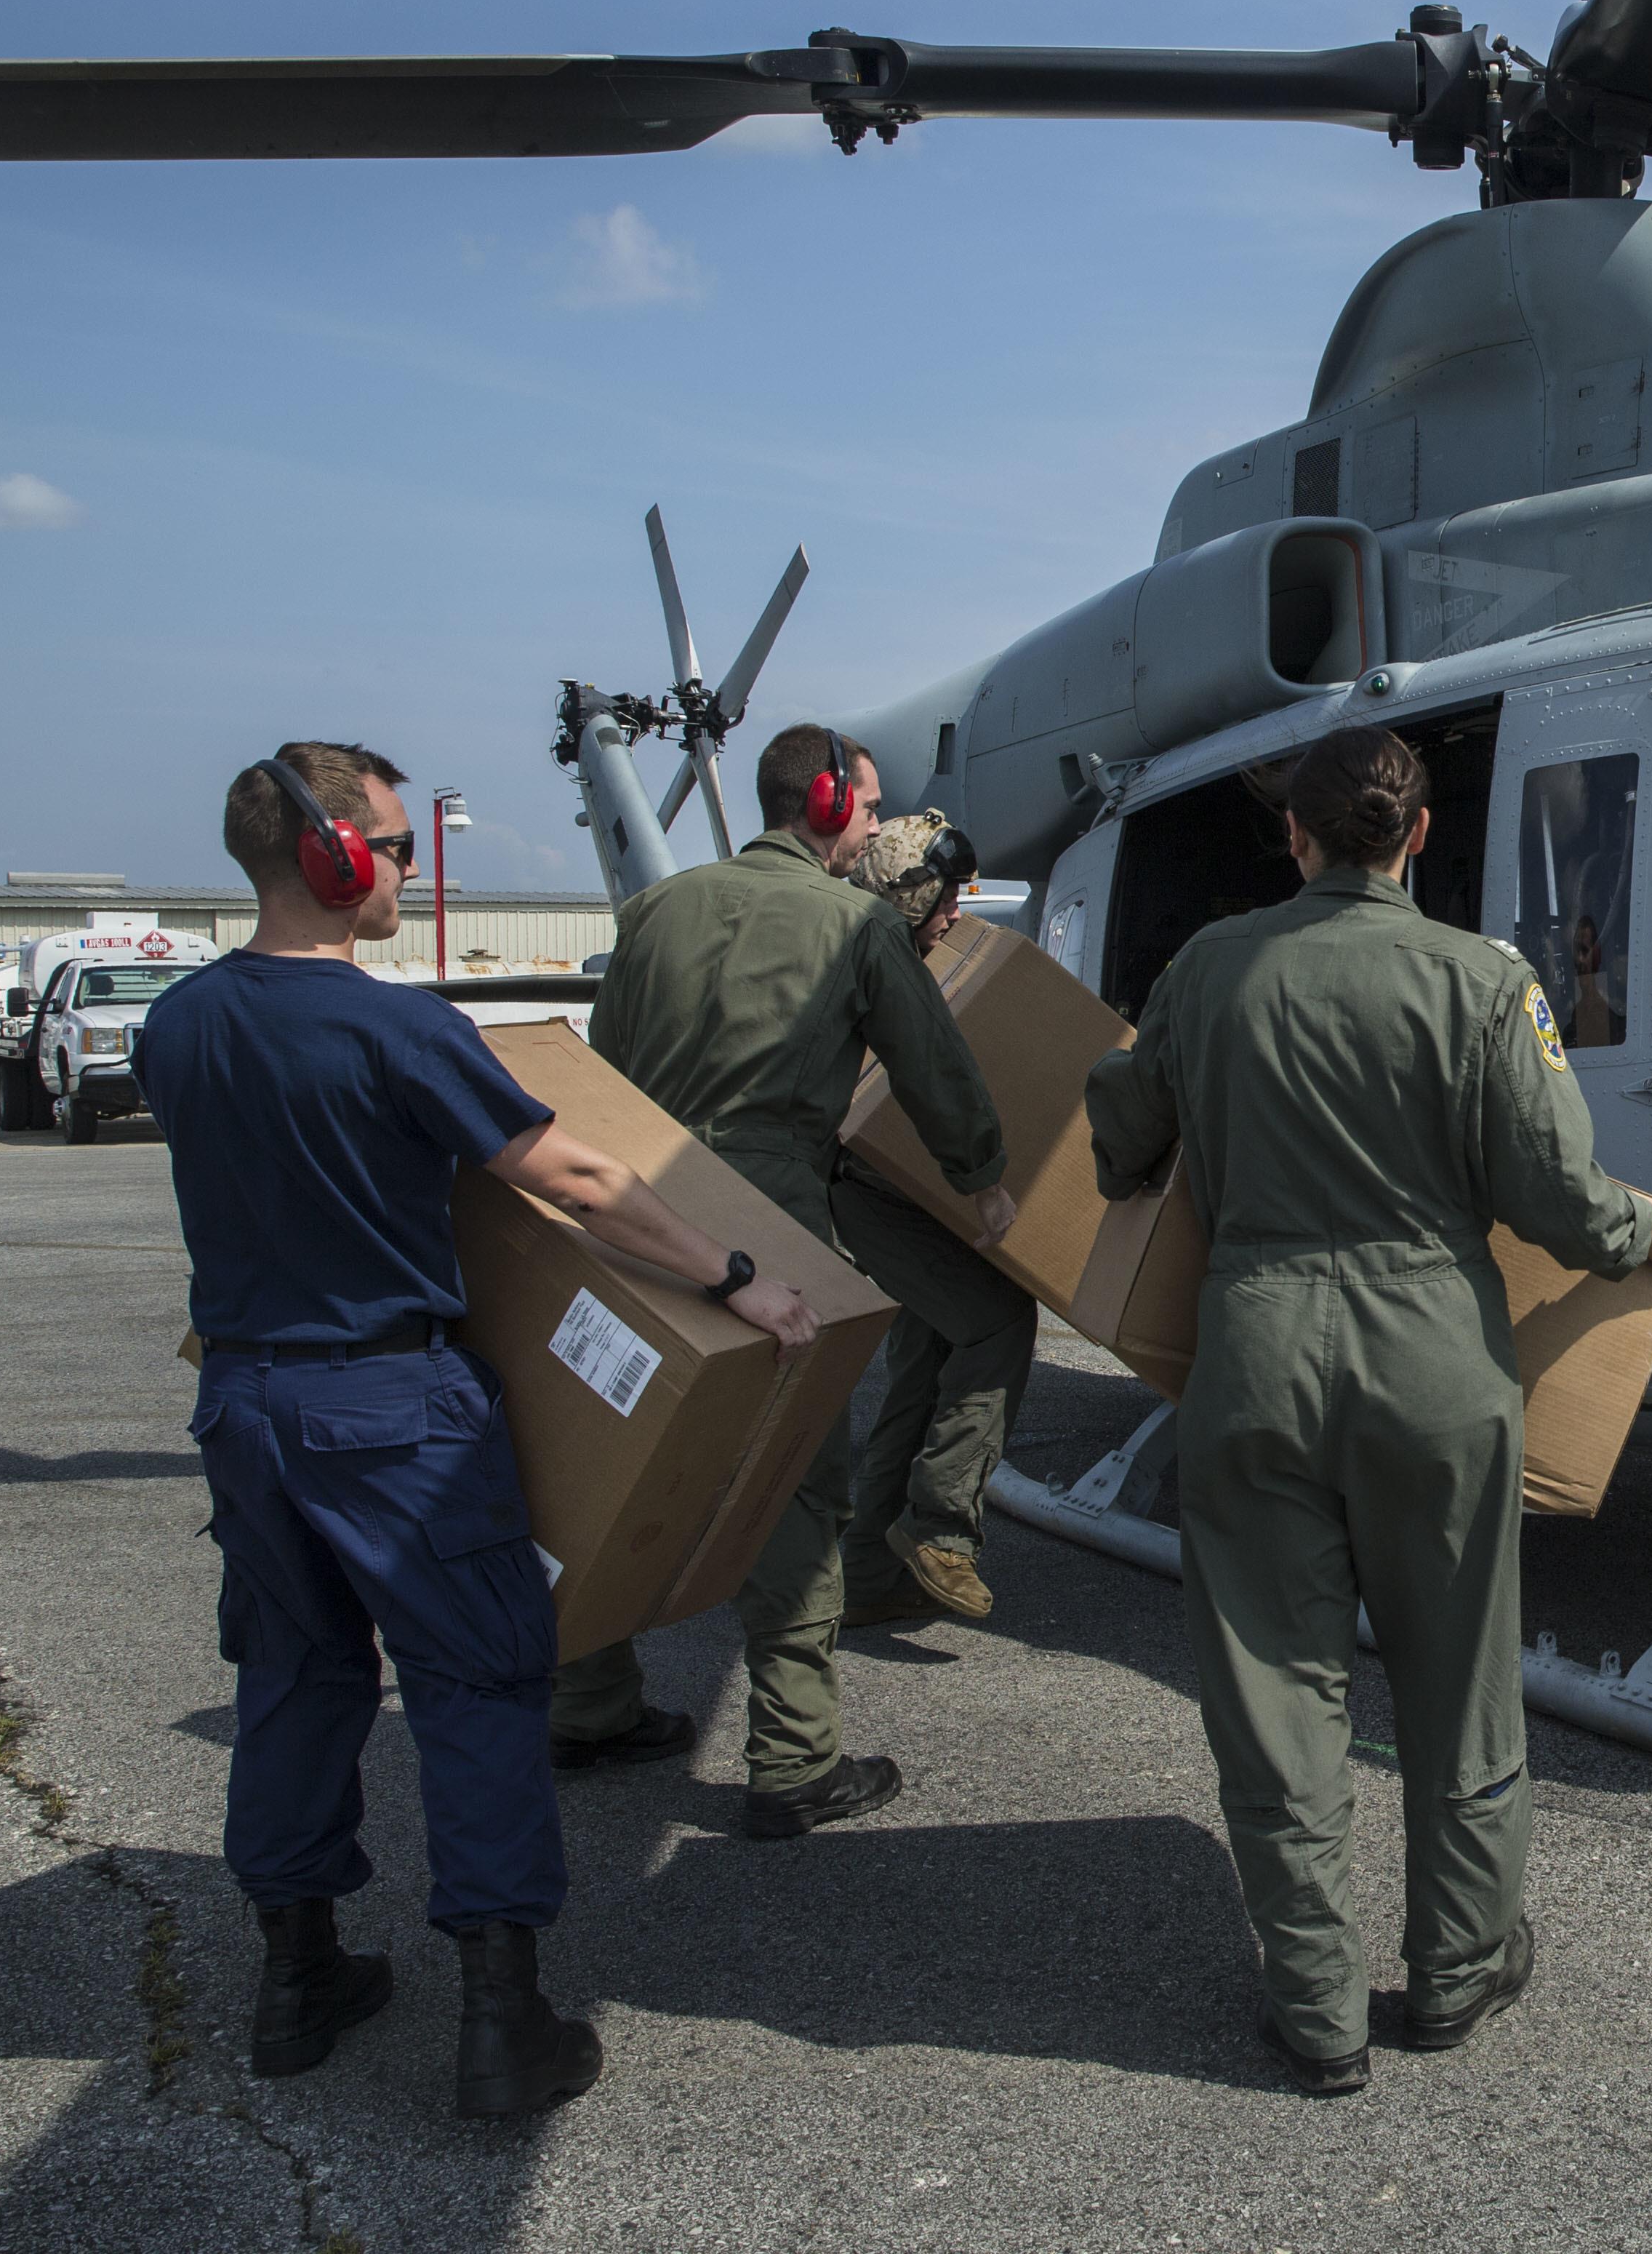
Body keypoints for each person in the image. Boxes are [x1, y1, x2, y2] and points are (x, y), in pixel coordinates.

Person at [140, 742, 820, 2117]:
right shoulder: (399, 1030)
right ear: (333, 859)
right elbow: (568, 1173)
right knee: (475, 1686)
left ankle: (295, 1980)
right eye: (392, 848)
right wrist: (735, 1275)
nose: (407, 869)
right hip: (390, 1412)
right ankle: (503, 2022)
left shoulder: (178, 1024)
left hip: (247, 1403)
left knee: (293, 1677)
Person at [1084, 724, 1652, 2096]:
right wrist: (1643, 1225)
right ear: (1420, 838)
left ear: (1295, 838)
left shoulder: (1204, 971)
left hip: (1252, 1355)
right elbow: (1551, 1191)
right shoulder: (1482, 979)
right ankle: (1456, 1967)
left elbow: (1117, 1139)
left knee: (1275, 1691)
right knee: (1457, 1681)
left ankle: (1312, 2009)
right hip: (1433, 1362)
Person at [548, 726, 1015, 1839]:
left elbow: (599, 1074)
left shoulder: (652, 911)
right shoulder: (857, 922)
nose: (869, 822)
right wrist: (984, 1177)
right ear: (828, 800)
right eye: (865, 803)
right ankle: (795, 1759)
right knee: (798, 1479)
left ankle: (587, 1701)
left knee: (618, 1451)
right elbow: (931, 1069)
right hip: (768, 1217)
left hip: (640, 1210)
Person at [830, 810, 1041, 1628]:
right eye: (947, 897)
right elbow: (933, 1071)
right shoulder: (881, 947)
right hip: (868, 1183)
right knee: (994, 1321)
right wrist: (983, 1178)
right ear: (911, 893)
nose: (956, 915)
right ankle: (943, 1528)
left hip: (877, 1183)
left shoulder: (852, 936)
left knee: (925, 1362)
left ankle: (868, 1572)